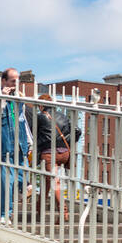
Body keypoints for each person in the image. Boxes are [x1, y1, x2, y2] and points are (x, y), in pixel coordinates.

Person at [0, 68, 33, 223]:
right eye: (13, 80)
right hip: (3, 146)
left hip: (20, 145)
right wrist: (2, 100)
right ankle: (5, 214)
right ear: (3, 81)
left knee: (22, 180)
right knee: (8, 181)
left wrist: (29, 142)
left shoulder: (18, 99)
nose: (16, 84)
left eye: (18, 80)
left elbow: (22, 120)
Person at [33, 93, 80, 223]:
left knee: (54, 182)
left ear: (42, 105)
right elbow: (76, 130)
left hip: (50, 153)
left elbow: (33, 134)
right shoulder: (63, 116)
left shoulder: (41, 117)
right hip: (65, 153)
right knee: (48, 180)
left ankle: (63, 211)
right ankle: (39, 208)